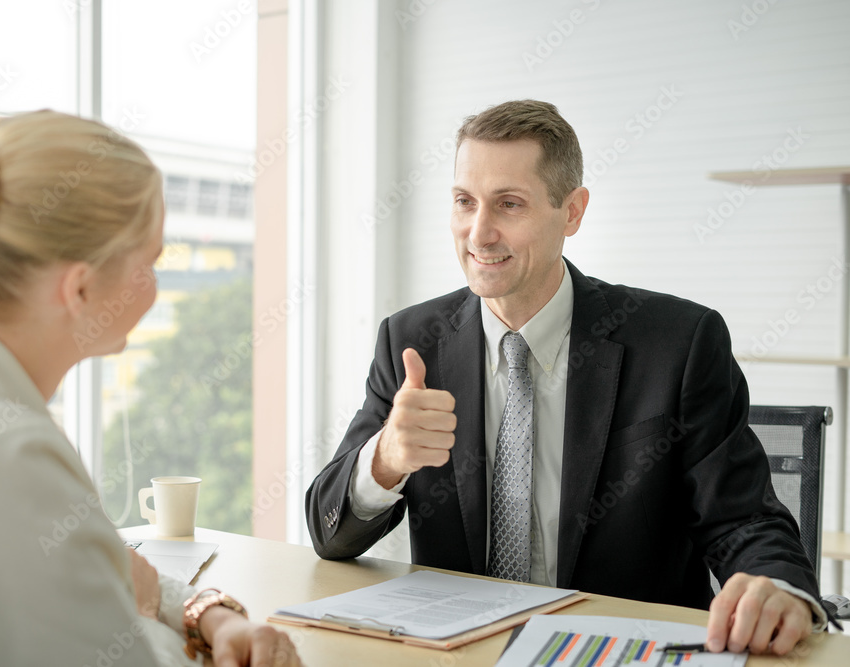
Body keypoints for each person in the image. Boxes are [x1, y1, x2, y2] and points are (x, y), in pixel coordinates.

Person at [306, 99, 827, 656]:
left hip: (619, 653)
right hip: (463, 653)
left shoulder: (678, 343)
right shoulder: (412, 342)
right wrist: (385, 458)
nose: (479, 234)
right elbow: (327, 531)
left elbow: (744, 520)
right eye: (464, 202)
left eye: (509, 204)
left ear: (572, 211)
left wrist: (780, 588)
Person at [0, 112, 301, 666]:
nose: (157, 287)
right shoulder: (7, 455)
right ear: (82, 289)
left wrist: (206, 613)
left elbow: (116, 574)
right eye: (153, 262)